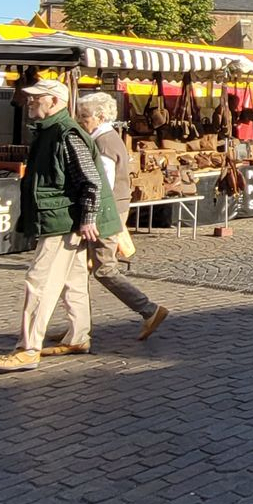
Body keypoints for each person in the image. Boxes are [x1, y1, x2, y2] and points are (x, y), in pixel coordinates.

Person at [0, 77, 126, 373]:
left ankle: (28, 348)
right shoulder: (52, 131)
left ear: (54, 101)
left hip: (62, 219)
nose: (30, 102)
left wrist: (88, 218)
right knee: (72, 280)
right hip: (63, 217)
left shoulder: (66, 133)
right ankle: (77, 336)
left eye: (36, 98)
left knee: (40, 282)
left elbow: (90, 181)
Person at [72, 91, 168, 341]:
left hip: (107, 211)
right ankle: (77, 327)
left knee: (104, 268)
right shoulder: (106, 138)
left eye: (85, 116)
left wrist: (91, 217)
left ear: (101, 117)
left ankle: (149, 309)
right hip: (111, 208)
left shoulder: (104, 142)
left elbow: (102, 184)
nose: (81, 120)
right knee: (78, 268)